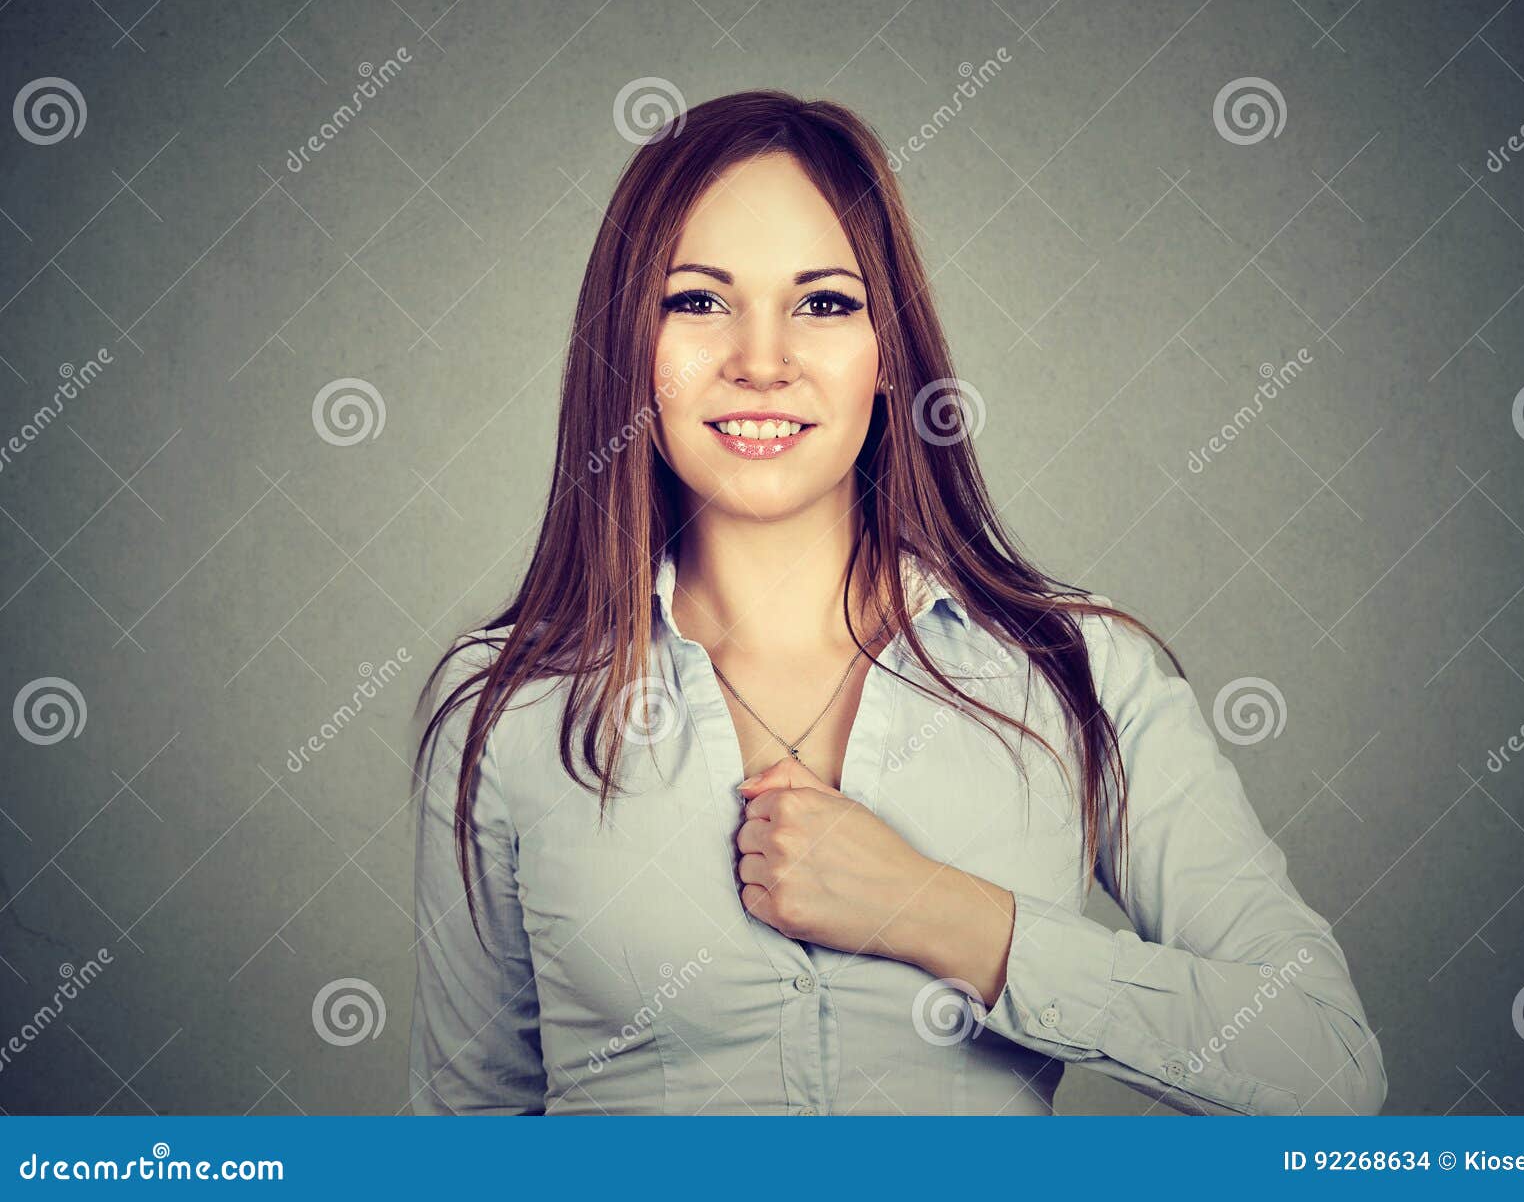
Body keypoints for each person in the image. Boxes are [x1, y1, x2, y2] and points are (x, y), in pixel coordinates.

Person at [406, 89, 1386, 1116]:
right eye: (697, 300)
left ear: (889, 352)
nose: (761, 360)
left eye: (823, 302)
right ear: (626, 344)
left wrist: (942, 915)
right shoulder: (503, 707)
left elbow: (1322, 1074)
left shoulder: (1079, 671)